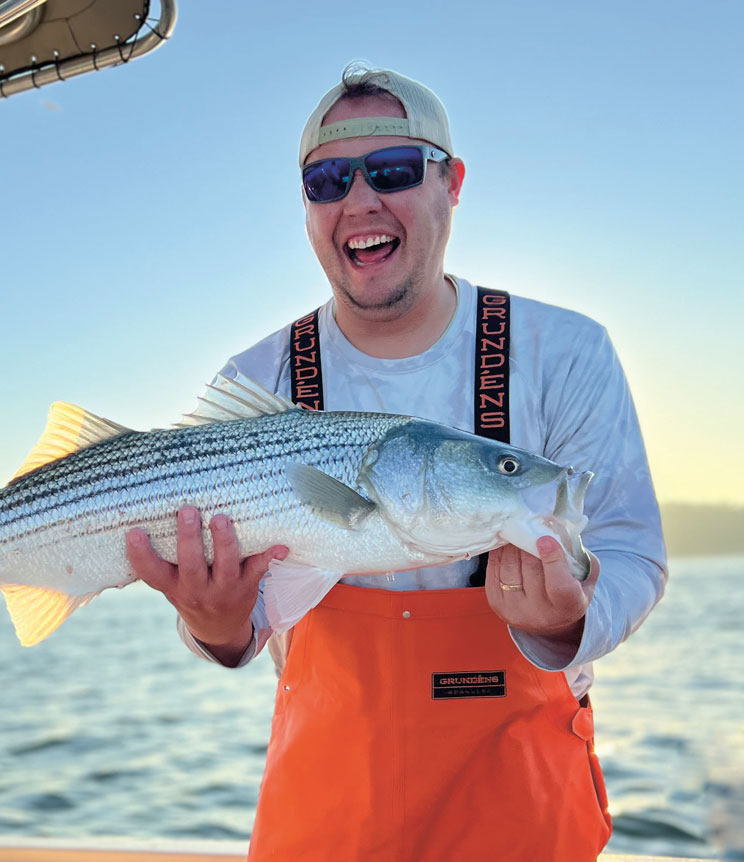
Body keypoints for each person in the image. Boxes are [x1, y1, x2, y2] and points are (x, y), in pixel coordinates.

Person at [126, 64, 667, 861]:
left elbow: (630, 552)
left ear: (451, 182)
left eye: (392, 171)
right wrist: (213, 628)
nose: (360, 200)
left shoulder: (564, 351)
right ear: (307, 208)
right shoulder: (256, 377)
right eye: (327, 181)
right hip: (326, 810)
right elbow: (238, 614)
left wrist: (569, 620)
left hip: (520, 805)